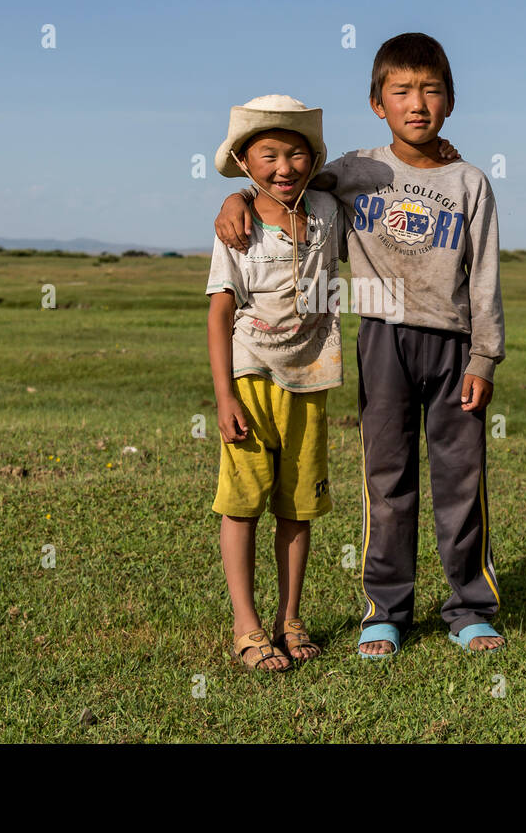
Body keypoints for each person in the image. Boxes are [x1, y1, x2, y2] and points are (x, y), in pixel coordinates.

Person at [214, 34, 506, 657]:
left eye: (431, 90)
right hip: (381, 341)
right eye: (401, 91)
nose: (417, 103)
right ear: (377, 103)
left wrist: (485, 356)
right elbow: (280, 185)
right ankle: (388, 609)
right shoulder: (354, 169)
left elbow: (483, 277)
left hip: (454, 347)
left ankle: (470, 606)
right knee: (387, 478)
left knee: (461, 478)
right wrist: (235, 196)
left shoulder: (470, 182)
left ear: (451, 102)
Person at [206, 95, 347, 671]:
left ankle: (290, 618)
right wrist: (223, 395)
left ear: (313, 160)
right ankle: (246, 623)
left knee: (297, 507)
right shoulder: (236, 230)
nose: (284, 168)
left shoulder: (329, 212)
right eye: (268, 155)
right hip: (251, 376)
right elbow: (219, 313)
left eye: (297, 154)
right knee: (242, 504)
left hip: (310, 378)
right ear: (243, 159)